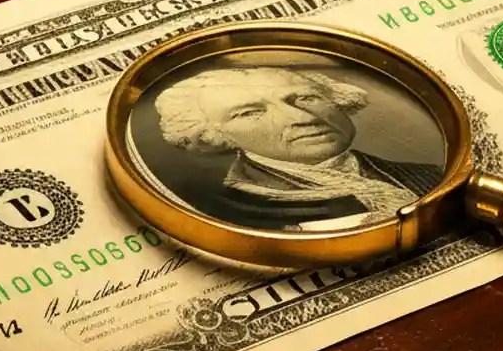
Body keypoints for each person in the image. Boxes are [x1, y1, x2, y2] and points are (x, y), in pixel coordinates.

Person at [153, 66, 444, 231]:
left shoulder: (427, 175)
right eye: (250, 112)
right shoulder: (235, 212)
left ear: (340, 103)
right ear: (210, 136)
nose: (303, 118)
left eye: (307, 98)